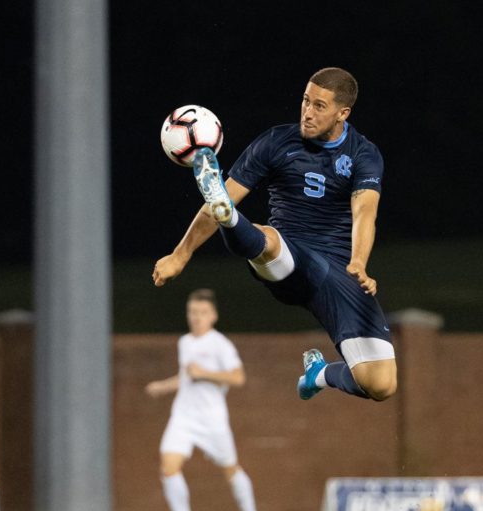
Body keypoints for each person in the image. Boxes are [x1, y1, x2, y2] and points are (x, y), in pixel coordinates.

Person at [152, 67, 397, 403]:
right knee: (266, 240)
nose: (308, 113)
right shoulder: (276, 142)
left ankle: (318, 374)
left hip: (339, 273)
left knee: (381, 384)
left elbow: (365, 212)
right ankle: (232, 219)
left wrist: (358, 261)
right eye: (305, 101)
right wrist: (180, 255)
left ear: (343, 113)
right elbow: (219, 200)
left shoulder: (363, 155)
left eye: (319, 106)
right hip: (288, 259)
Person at [145, 289, 260, 511]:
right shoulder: (184, 342)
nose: (197, 317)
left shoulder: (220, 344)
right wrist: (163, 387)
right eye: (193, 312)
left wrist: (206, 373)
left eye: (202, 313)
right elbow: (186, 377)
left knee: (230, 469)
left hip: (212, 420)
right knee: (168, 465)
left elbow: (238, 377)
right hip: (183, 416)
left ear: (213, 316)